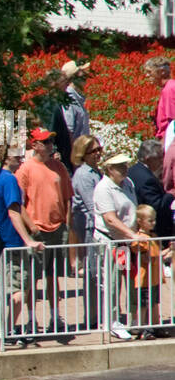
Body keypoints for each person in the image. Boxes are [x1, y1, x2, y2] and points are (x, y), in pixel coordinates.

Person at [15, 126, 73, 334]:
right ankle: (31, 319)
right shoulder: (25, 169)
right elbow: (18, 203)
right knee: (33, 277)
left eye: (51, 141)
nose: (50, 145)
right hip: (37, 229)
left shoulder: (59, 167)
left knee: (53, 275)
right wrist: (31, 226)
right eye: (45, 141)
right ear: (35, 145)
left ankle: (55, 316)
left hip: (58, 228)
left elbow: (67, 198)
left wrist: (66, 224)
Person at [0, 145, 44, 345]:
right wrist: (28, 240)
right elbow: (14, 212)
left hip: (1, 241)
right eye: (17, 157)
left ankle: (4, 330)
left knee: (8, 290)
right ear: (6, 158)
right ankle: (6, 331)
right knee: (19, 291)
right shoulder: (9, 180)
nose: (21, 160)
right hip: (11, 242)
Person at [93, 151, 144, 340]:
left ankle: (131, 318)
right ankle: (112, 321)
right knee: (112, 282)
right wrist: (132, 234)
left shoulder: (128, 184)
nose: (125, 169)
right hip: (110, 242)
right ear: (109, 169)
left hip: (124, 243)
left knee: (127, 279)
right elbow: (110, 219)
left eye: (125, 165)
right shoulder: (103, 188)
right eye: (120, 166)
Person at [71, 135, 105, 329]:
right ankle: (93, 317)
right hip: (89, 228)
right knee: (92, 274)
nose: (98, 154)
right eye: (94, 151)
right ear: (83, 154)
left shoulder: (95, 172)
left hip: (95, 226)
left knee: (98, 273)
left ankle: (99, 313)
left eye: (99, 149)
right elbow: (92, 204)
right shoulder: (84, 175)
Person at [132, 204, 168, 337]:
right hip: (145, 279)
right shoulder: (140, 238)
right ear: (140, 221)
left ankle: (155, 326)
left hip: (154, 278)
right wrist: (145, 253)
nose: (153, 223)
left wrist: (170, 250)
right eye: (150, 220)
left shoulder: (153, 236)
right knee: (144, 305)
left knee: (154, 303)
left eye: (154, 220)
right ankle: (142, 329)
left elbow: (158, 256)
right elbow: (144, 257)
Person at [143, 57, 175, 152]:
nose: (147, 75)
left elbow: (172, 124)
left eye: (150, 72)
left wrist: (162, 148)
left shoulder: (169, 89)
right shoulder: (167, 88)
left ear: (162, 71)